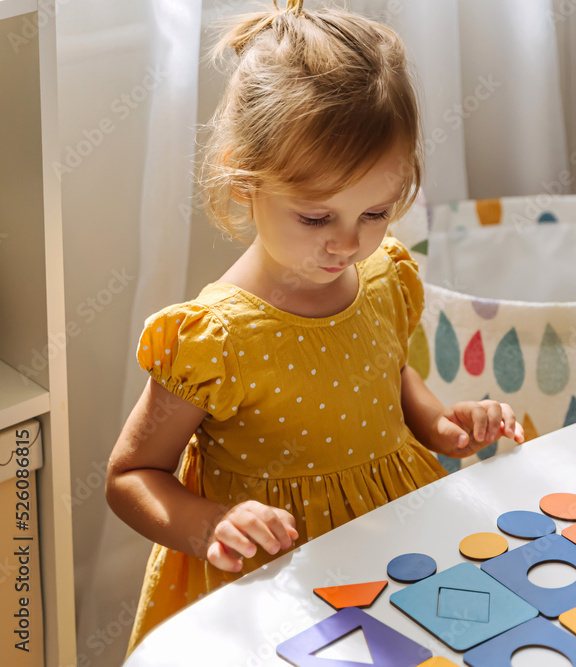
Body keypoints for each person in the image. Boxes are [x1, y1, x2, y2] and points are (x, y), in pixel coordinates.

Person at [106, 0, 524, 653]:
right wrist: (214, 524)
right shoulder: (215, 339)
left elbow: (389, 371)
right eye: (316, 217)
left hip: (393, 549)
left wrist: (441, 423)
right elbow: (131, 477)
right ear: (245, 179)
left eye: (375, 211)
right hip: (274, 582)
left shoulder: (384, 275)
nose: (348, 243)